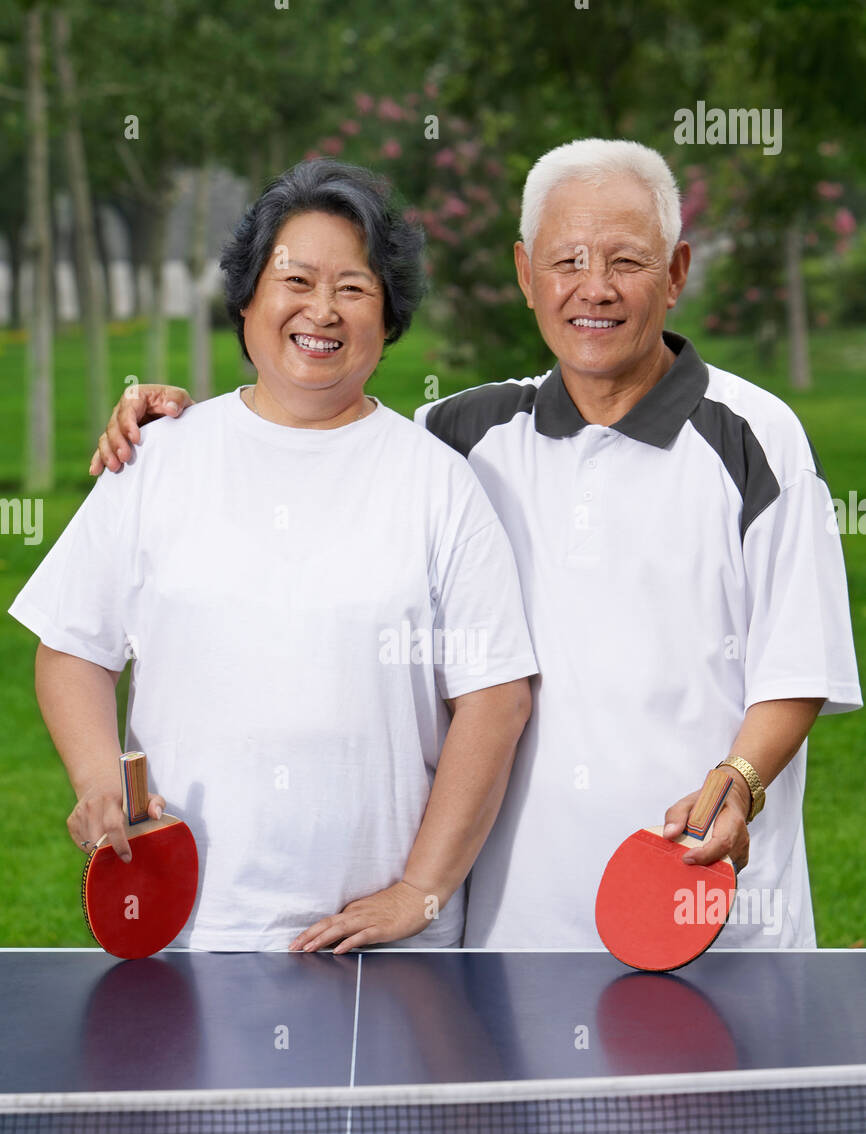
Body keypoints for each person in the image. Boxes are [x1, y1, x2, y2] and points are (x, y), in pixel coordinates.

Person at [88, 140, 862, 950]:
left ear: (675, 274)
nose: (593, 288)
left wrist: (739, 779)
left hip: (710, 918)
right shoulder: (460, 436)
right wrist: (181, 419)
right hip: (513, 938)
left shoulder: (757, 438)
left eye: (628, 261)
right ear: (527, 276)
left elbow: (796, 666)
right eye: (566, 260)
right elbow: (319, 416)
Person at [9, 160, 537, 952]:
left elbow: (495, 700)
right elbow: (73, 648)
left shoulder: (439, 483)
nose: (321, 310)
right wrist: (98, 779)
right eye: (295, 279)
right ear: (248, 297)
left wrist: (419, 892)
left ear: (388, 317)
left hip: (385, 951)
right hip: (195, 930)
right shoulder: (156, 461)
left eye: (354, 288)